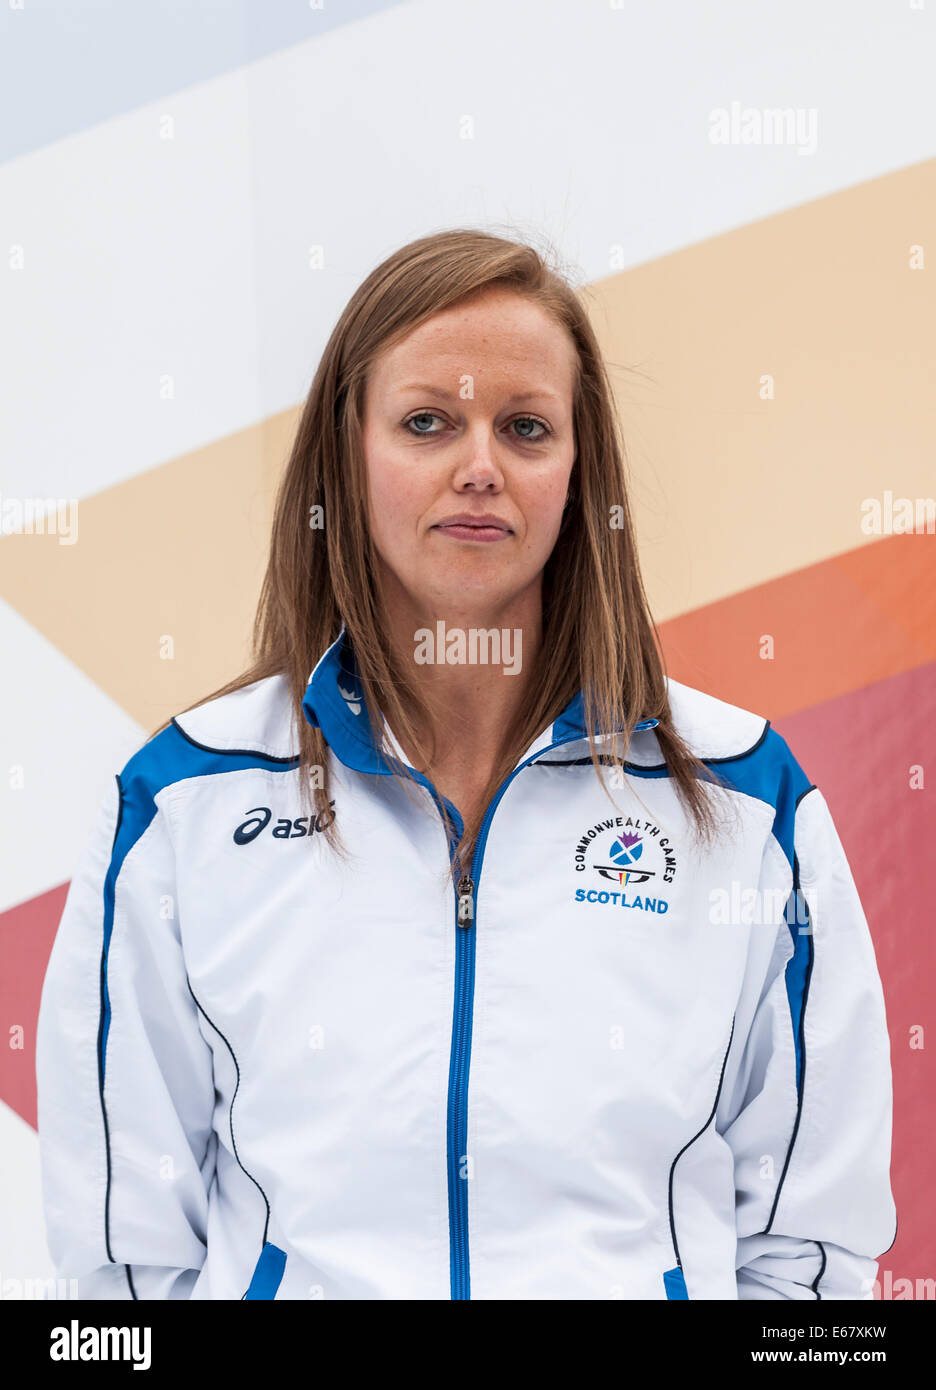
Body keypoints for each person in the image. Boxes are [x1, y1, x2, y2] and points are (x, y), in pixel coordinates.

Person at [36, 229, 896, 1300]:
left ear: (580, 472)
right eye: (428, 421)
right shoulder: (185, 807)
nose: (479, 466)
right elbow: (119, 1272)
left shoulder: (744, 802)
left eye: (526, 427)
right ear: (347, 458)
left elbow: (810, 1261)